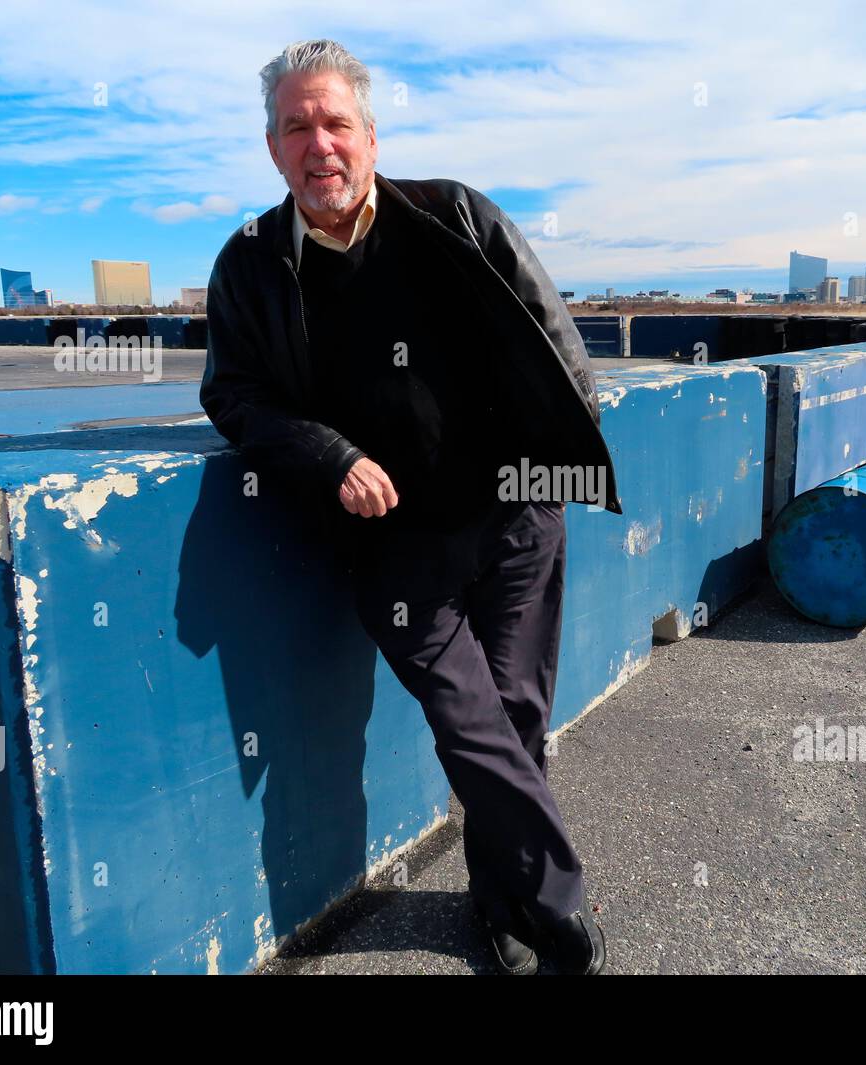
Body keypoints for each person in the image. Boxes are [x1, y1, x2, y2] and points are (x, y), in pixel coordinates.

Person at [200, 38, 621, 974]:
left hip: (514, 517)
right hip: (393, 544)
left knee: (515, 716)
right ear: (272, 148)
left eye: (335, 123)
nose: (320, 145)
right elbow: (232, 394)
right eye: (297, 127)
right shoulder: (248, 264)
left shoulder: (454, 216)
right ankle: (560, 907)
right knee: (469, 722)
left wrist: (554, 467)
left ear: (370, 135)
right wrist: (330, 454)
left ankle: (501, 901)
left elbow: (558, 344)